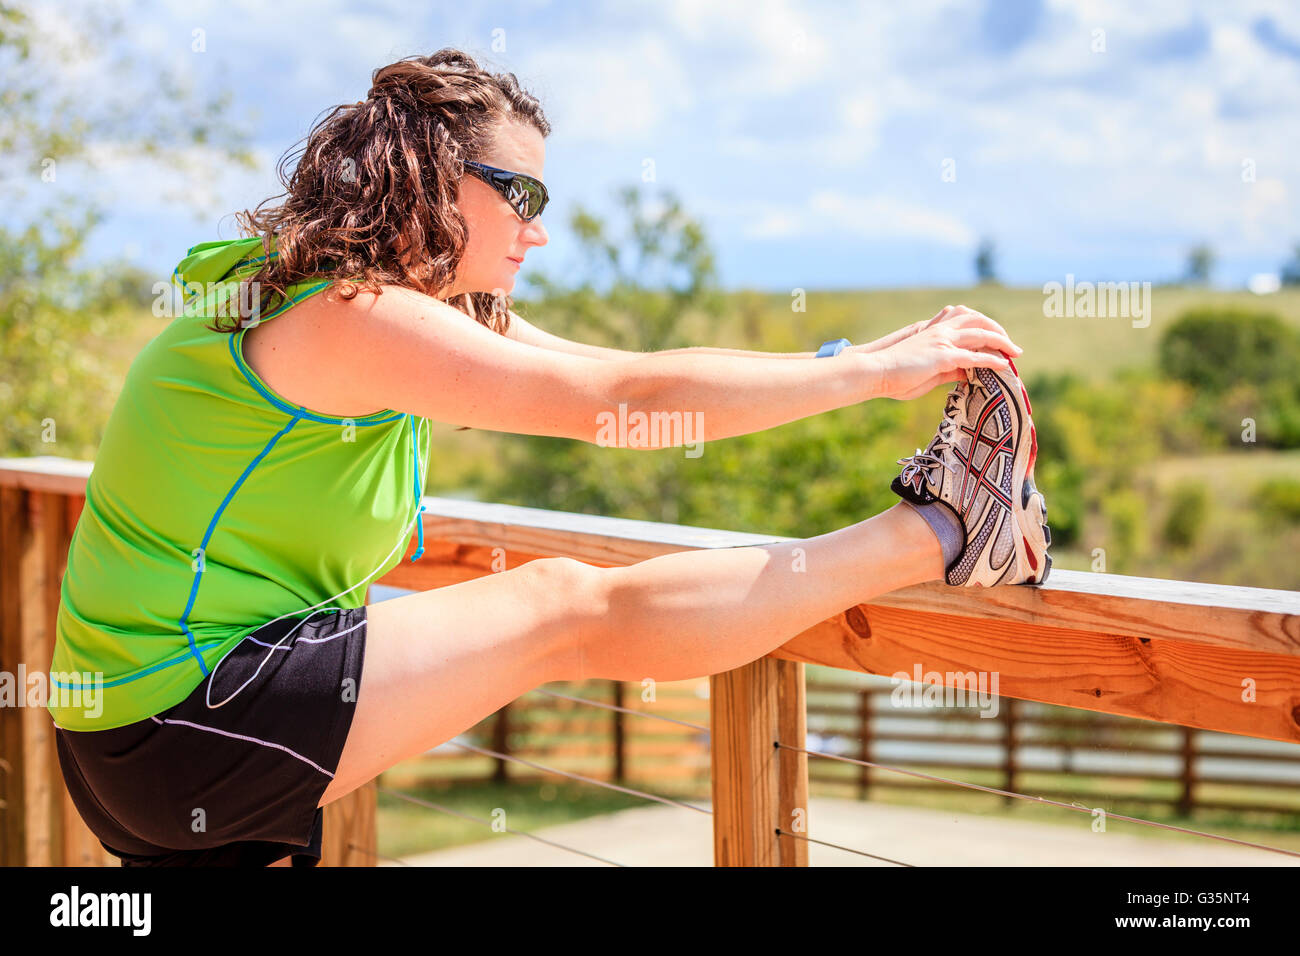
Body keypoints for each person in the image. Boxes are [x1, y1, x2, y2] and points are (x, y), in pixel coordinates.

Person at [48, 48, 1050, 867]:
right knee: (561, 607)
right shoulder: (355, 316)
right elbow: (624, 406)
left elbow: (625, 379)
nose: (535, 229)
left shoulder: (314, 289)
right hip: (186, 720)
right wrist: (872, 376)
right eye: (519, 191)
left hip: (138, 735)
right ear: (432, 177)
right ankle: (947, 530)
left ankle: (950, 523)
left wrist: (855, 361)